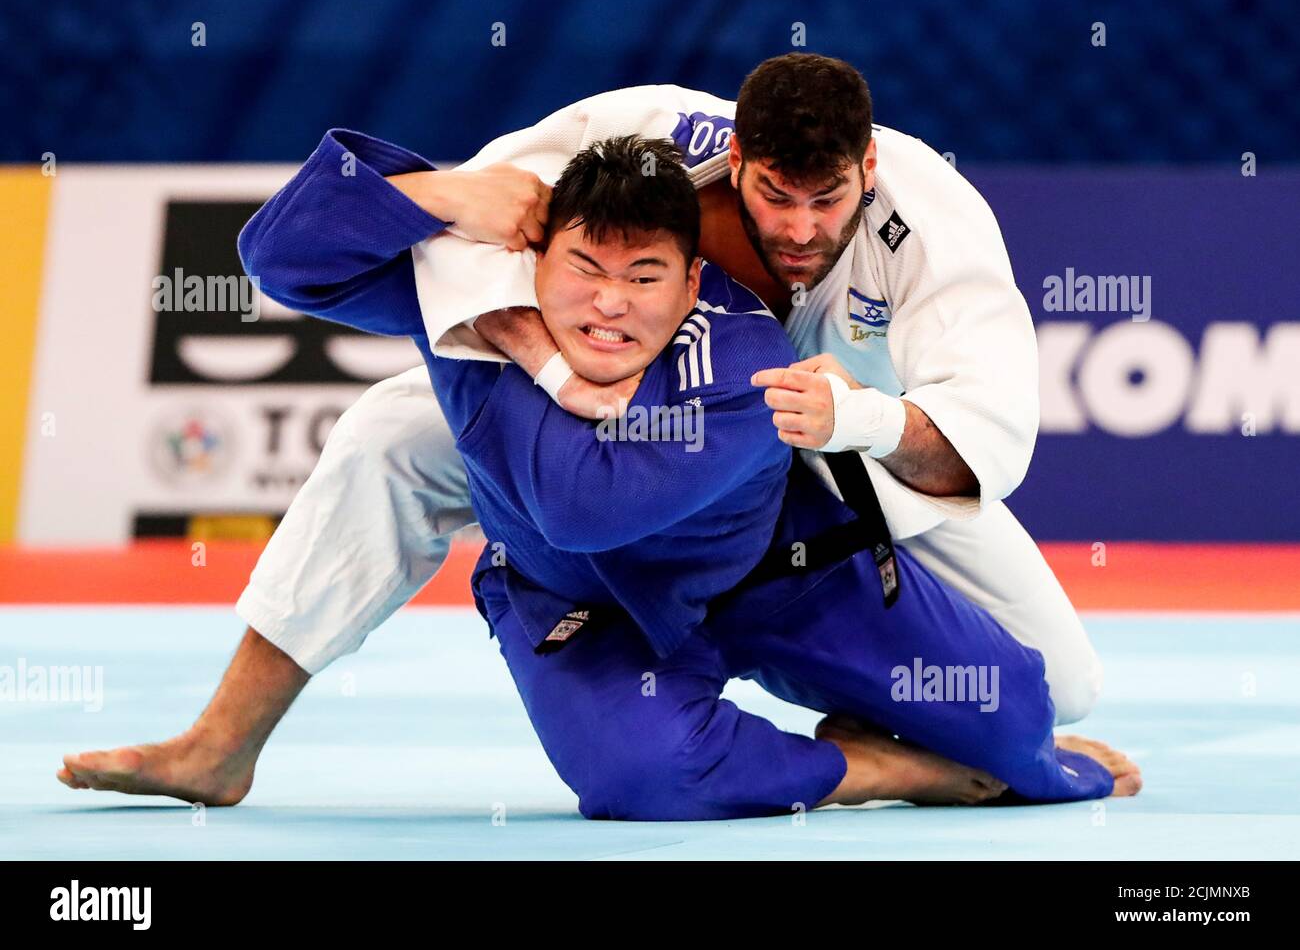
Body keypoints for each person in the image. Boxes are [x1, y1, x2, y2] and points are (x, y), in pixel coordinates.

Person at [59, 136, 1138, 820]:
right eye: (582, 269)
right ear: (537, 248)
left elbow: (589, 499)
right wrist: (445, 200)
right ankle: (221, 744)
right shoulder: (493, 270)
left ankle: (962, 742)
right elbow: (279, 252)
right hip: (579, 602)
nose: (609, 304)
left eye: (643, 278)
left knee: (1024, 728)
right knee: (635, 777)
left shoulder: (759, 348)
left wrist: (529, 359)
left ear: (693, 277)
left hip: (777, 562)